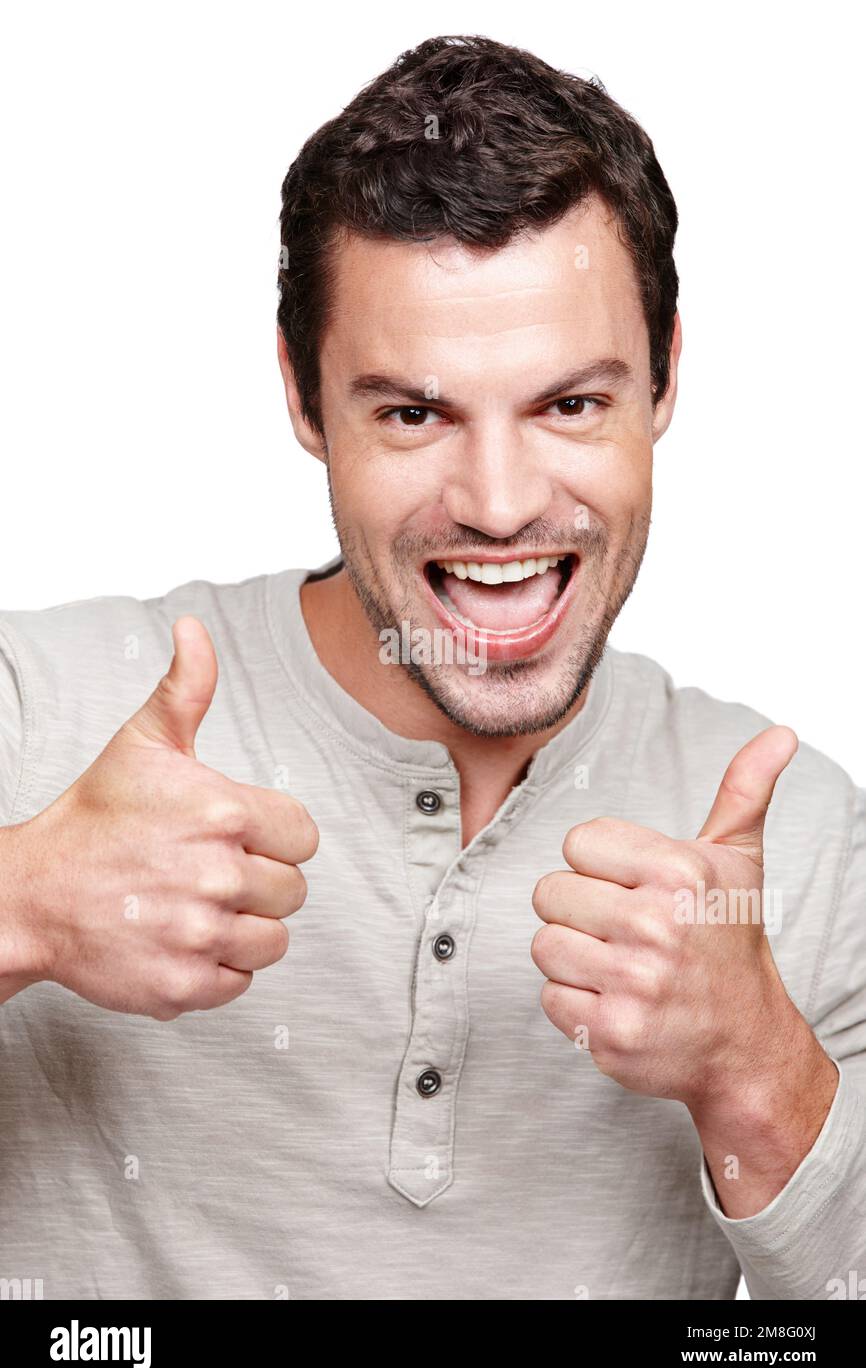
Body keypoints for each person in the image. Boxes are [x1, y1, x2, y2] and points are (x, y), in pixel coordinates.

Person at [0, 34, 863, 1302]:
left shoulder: (801, 845)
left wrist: (758, 1073)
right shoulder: (39, 712)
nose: (501, 505)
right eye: (413, 413)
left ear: (667, 372)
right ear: (303, 394)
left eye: (569, 404)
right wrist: (23, 901)